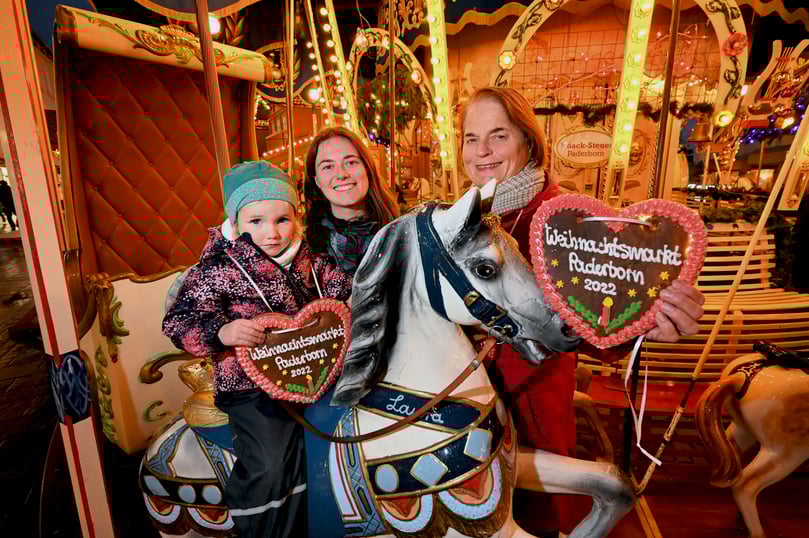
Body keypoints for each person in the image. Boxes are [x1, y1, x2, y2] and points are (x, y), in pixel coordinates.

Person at [460, 87, 705, 536]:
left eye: (498, 136)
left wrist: (646, 324)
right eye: (471, 138)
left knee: (527, 520)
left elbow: (600, 318)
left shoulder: (562, 222)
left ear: (528, 142)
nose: (482, 151)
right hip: (464, 399)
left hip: (528, 406)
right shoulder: (468, 214)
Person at [162, 161, 352, 538]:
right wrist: (223, 331)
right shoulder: (218, 269)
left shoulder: (312, 262)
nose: (272, 233)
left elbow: (346, 292)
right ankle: (266, 527)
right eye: (256, 221)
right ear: (236, 222)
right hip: (251, 388)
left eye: (282, 220)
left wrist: (351, 307)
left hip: (315, 371)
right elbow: (179, 321)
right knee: (270, 461)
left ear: (295, 219)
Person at [303, 127, 400, 275]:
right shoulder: (306, 252)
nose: (341, 174)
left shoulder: (401, 235)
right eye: (328, 167)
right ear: (316, 180)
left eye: (351, 163)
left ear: (367, 168)